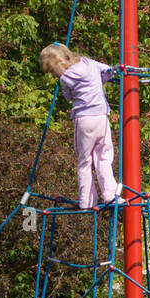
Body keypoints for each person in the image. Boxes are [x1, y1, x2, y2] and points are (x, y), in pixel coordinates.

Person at [39, 42, 122, 210]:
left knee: (84, 160)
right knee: (104, 156)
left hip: (84, 119)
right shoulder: (89, 63)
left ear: (61, 62)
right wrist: (99, 82)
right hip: (101, 117)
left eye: (53, 70)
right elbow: (107, 71)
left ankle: (87, 201)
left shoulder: (66, 77)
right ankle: (111, 195)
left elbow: (68, 97)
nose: (55, 75)